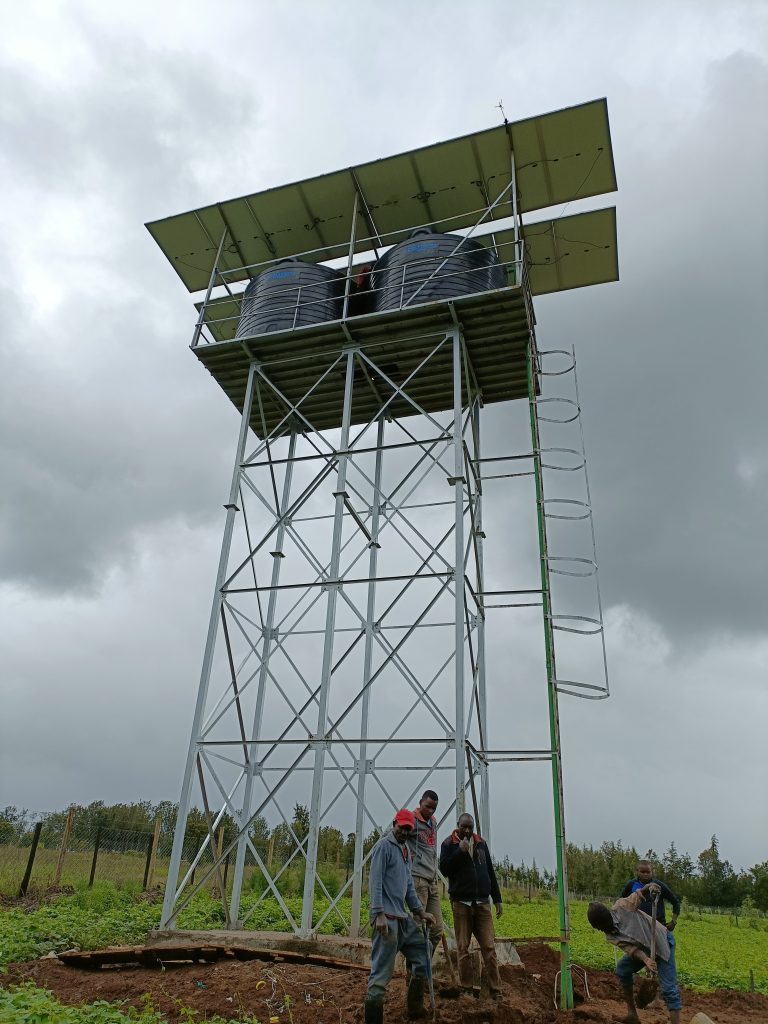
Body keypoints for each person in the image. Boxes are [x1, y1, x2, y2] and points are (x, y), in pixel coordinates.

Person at [365, 809, 435, 1024]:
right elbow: (375, 881)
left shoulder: (405, 850)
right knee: (381, 976)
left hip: (402, 918)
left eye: (408, 829)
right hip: (386, 918)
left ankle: (415, 1008)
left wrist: (420, 911)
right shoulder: (384, 847)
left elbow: (408, 887)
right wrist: (378, 914)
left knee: (424, 955)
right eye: (401, 827)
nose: (404, 832)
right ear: (394, 823)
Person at [587, 882, 682, 1024]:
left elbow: (639, 894)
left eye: (603, 926)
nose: (603, 930)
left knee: (669, 989)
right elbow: (632, 950)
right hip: (643, 950)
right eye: (599, 929)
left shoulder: (622, 906)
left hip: (662, 942)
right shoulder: (610, 936)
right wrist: (646, 960)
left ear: (608, 917)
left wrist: (649, 887)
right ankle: (632, 1015)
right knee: (622, 969)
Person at [439, 811, 503, 999]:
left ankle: (495, 989)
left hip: (482, 903)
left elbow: (490, 872)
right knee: (463, 948)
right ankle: (466, 988)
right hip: (461, 904)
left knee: (489, 948)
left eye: (470, 827)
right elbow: (444, 868)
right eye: (464, 826)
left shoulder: (481, 844)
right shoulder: (448, 844)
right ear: (458, 825)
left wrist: (497, 899)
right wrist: (460, 851)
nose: (467, 830)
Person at [405, 789, 444, 953]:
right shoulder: (411, 820)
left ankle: (423, 966)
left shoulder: (433, 822)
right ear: (421, 802)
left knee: (436, 931)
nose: (430, 811)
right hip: (418, 879)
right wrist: (408, 857)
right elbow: (392, 835)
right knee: (418, 929)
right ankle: (414, 973)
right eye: (428, 807)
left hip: (432, 880)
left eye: (434, 808)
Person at [620, 860, 681, 931]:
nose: (645, 874)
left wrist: (673, 921)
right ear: (637, 871)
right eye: (642, 872)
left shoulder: (659, 885)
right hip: (636, 926)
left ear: (651, 872)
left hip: (658, 926)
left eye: (648, 872)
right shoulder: (631, 885)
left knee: (670, 941)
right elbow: (621, 902)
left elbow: (675, 902)